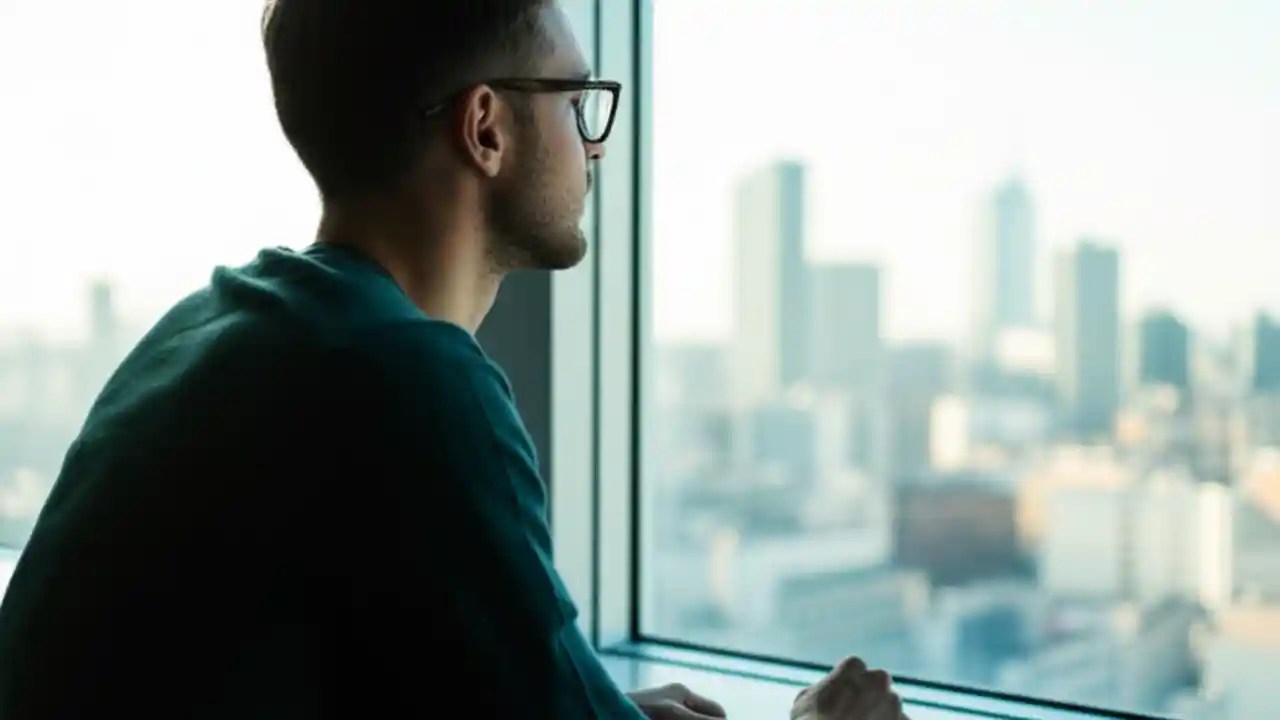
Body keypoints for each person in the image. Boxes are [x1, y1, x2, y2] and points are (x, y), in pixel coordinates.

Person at [0, 2, 909, 718]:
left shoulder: (215, 329)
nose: (594, 144)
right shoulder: (403, 381)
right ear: (486, 128)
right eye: (575, 101)